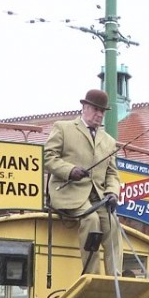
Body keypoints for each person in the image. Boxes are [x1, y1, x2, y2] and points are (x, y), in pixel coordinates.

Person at [43, 88, 124, 276]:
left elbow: (112, 173)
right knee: (91, 220)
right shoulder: (63, 128)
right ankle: (92, 275)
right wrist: (70, 171)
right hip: (69, 193)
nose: (99, 114)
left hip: (98, 196)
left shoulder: (108, 141)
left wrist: (112, 192)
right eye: (96, 109)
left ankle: (115, 277)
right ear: (85, 107)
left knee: (112, 224)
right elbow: (47, 157)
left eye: (102, 111)